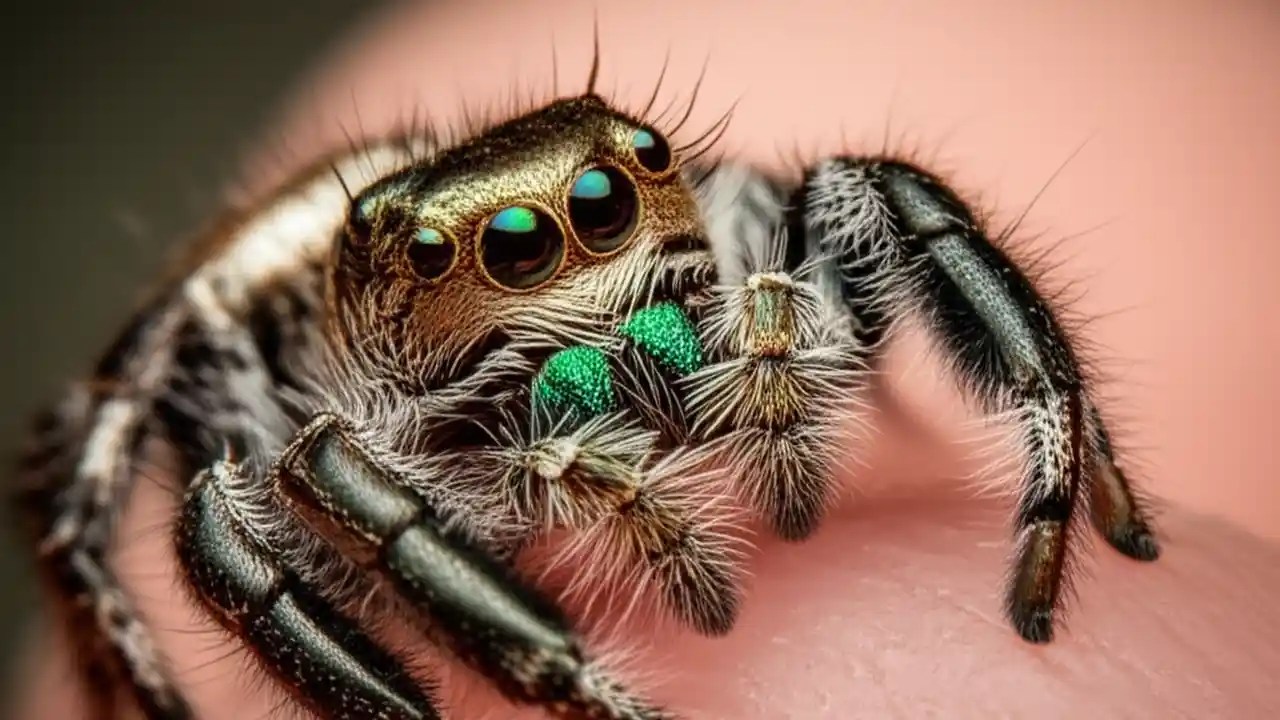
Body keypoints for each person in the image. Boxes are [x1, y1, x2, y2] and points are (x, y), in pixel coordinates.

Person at [14, 1, 1280, 717]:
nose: (577, 266)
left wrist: (1056, 429)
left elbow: (851, 213)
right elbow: (106, 445)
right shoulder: (319, 413)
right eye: (514, 251)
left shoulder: (736, 266)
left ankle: (1063, 452)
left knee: (876, 187)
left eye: (611, 205)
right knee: (224, 515)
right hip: (379, 404)